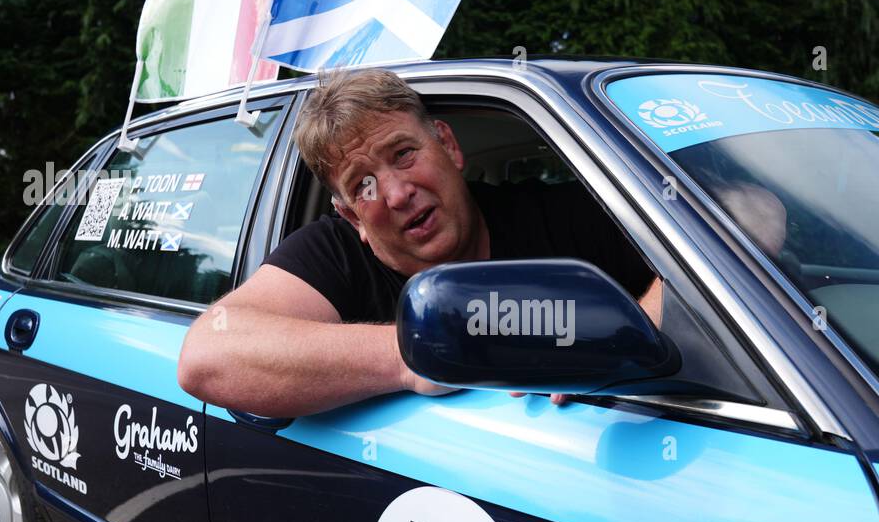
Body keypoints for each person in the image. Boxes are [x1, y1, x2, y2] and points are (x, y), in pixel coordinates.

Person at [177, 67, 663, 417]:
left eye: (404, 154)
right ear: (352, 217)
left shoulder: (559, 214)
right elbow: (207, 354)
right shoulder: (335, 252)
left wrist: (622, 339)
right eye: (363, 184)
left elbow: (701, 272)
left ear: (448, 146)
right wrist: (417, 354)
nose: (395, 193)